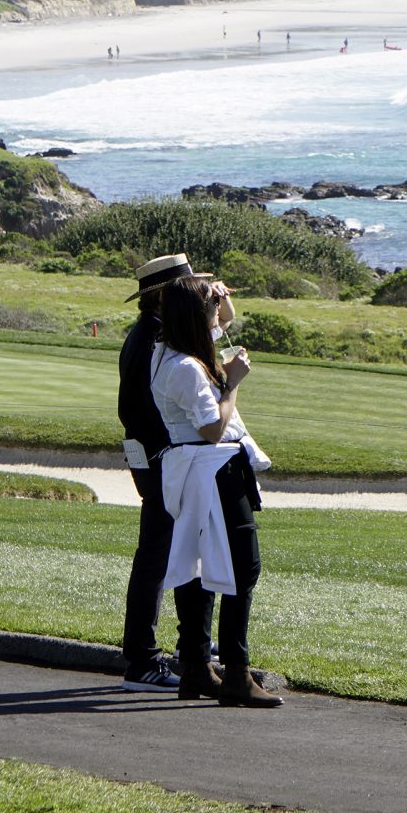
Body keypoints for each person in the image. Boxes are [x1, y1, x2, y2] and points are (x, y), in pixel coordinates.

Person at [151, 274, 282, 708]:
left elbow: (222, 323)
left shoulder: (168, 352)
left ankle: (195, 668)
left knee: (198, 567)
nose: (218, 313)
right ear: (194, 315)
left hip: (192, 470)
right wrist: (234, 382)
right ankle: (237, 674)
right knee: (243, 569)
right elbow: (211, 429)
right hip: (214, 469)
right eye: (210, 305)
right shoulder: (188, 368)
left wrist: (220, 300)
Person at [117, 252, 229, 692]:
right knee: (157, 558)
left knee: (174, 554)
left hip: (162, 459)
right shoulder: (151, 341)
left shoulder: (157, 333)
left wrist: (218, 302)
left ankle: (190, 647)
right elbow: (144, 412)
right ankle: (142, 659)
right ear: (165, 296)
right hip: (162, 460)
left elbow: (217, 328)